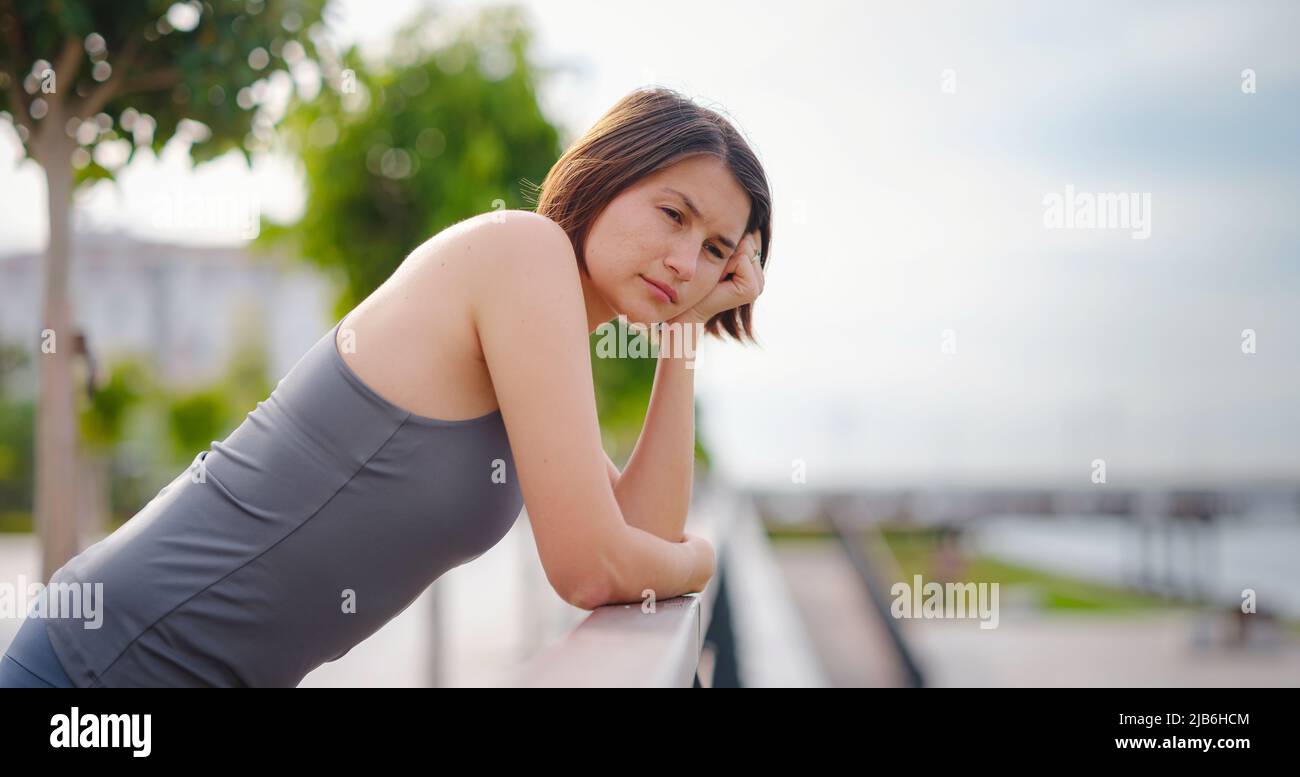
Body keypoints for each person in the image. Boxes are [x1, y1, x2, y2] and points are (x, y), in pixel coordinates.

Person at [0, 86, 773, 687]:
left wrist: (684, 338)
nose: (684, 262)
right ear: (608, 173)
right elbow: (599, 567)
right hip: (99, 668)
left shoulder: (542, 340)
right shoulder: (523, 254)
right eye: (672, 213)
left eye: (714, 251)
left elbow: (636, 534)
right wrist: (700, 560)